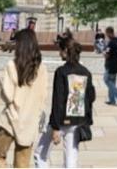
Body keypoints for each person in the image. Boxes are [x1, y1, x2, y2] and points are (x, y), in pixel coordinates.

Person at [0, 29, 48, 168]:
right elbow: (43, 95)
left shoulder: (12, 65)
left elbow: (8, 95)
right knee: (22, 164)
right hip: (30, 122)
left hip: (11, 119)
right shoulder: (41, 68)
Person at [34, 39, 95, 168]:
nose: (59, 53)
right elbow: (91, 97)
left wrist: (55, 127)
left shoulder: (61, 71)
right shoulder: (86, 72)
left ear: (66, 51)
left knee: (40, 154)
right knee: (70, 160)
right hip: (78, 121)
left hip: (61, 120)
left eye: (60, 50)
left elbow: (58, 100)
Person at [103, 27, 117, 106]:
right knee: (112, 83)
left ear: (109, 33)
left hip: (110, 65)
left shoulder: (111, 43)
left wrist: (103, 53)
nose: (106, 35)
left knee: (106, 80)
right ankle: (112, 100)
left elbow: (107, 55)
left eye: (106, 34)